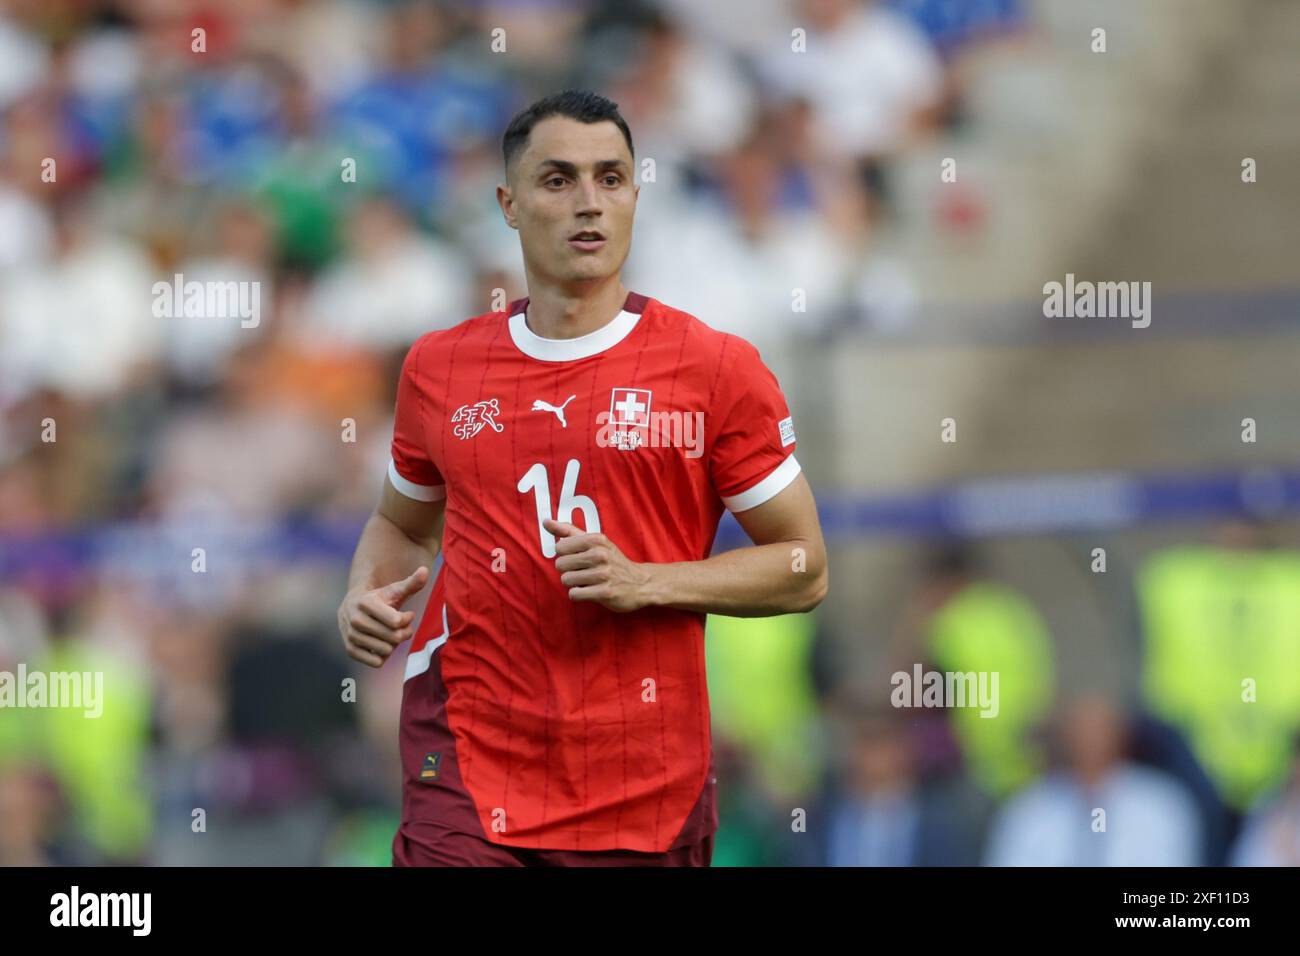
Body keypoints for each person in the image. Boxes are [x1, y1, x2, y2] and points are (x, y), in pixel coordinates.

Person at [336, 90, 829, 867]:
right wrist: (365, 594)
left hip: (642, 781)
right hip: (466, 760)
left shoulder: (715, 370)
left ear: (637, 194)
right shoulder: (441, 367)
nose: (589, 203)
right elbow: (401, 524)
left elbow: (804, 568)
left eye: (611, 178)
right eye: (558, 180)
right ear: (509, 202)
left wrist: (647, 581)